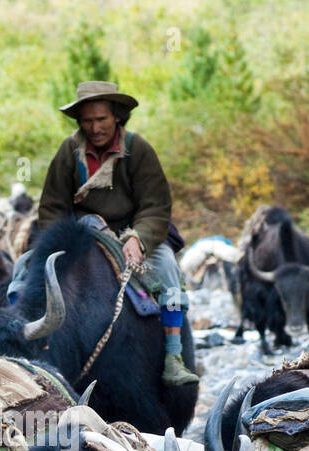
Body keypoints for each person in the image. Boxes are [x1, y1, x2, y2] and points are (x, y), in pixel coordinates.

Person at [34, 80, 197, 386]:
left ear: (117, 117)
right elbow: (52, 206)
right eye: (87, 120)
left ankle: (173, 356)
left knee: (166, 270)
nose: (94, 127)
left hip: (134, 230)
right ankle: (28, 347)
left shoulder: (138, 150)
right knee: (25, 271)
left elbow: (156, 204)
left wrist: (139, 238)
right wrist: (56, 242)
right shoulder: (69, 152)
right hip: (82, 234)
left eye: (101, 119)